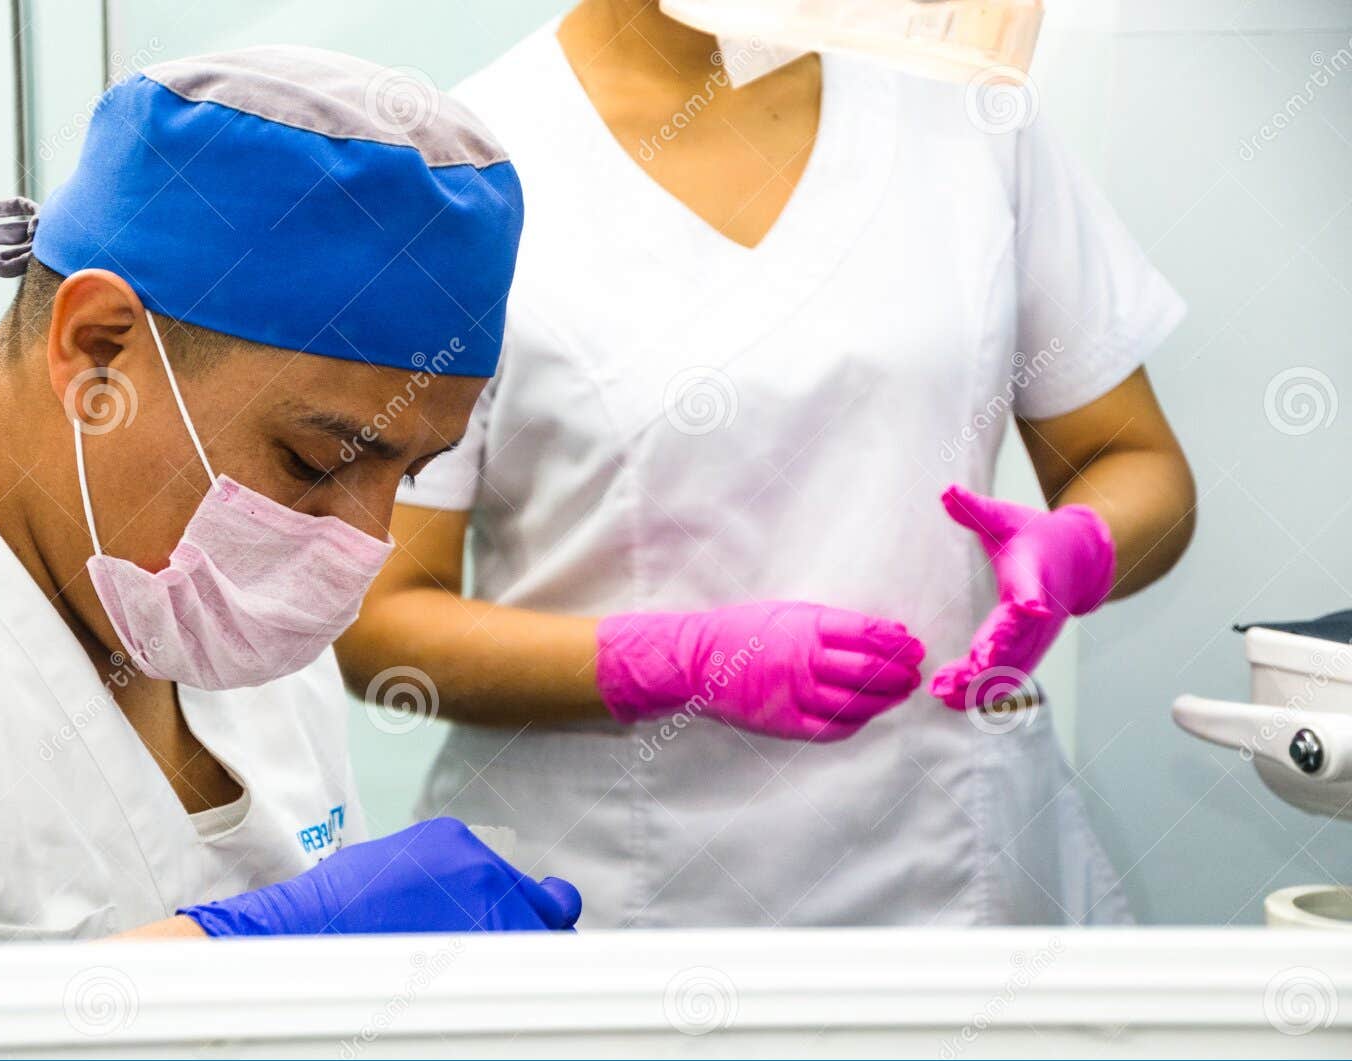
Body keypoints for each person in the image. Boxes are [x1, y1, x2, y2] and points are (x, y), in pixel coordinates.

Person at [336, 1, 1197, 928]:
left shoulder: (966, 111)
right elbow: (383, 629)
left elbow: (1132, 461)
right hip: (611, 891)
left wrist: (1083, 547)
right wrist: (671, 664)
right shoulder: (468, 169)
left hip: (957, 868)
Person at [0, 46, 579, 942]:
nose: (362, 545)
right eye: (314, 461)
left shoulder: (229, 605)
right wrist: (220, 964)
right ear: (99, 350)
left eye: (409, 474)